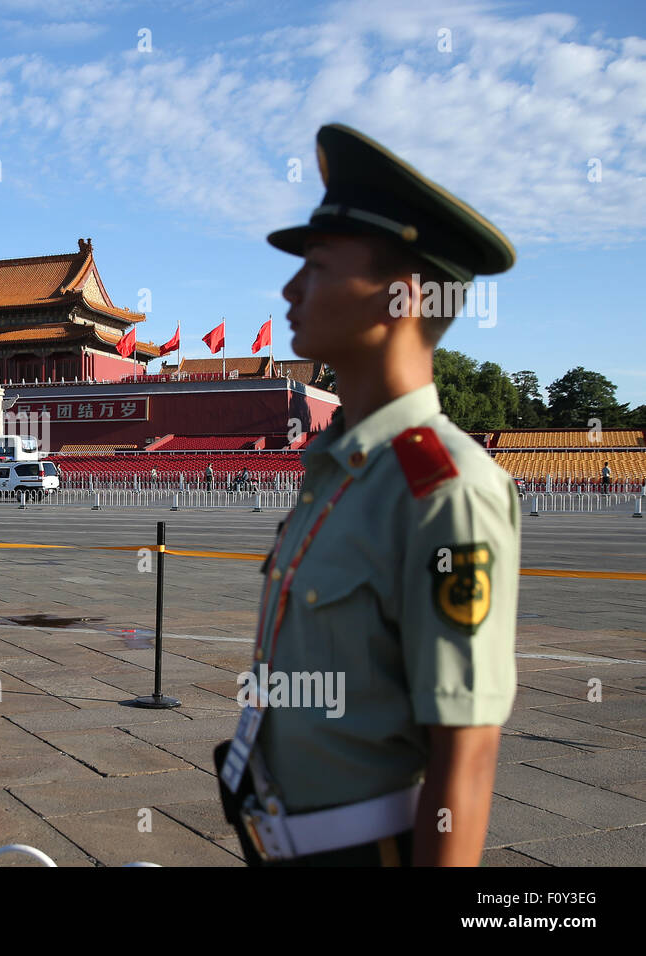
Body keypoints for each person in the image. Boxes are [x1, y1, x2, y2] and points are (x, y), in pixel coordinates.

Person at [215, 124, 519, 868]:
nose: (290, 290)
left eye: (315, 267)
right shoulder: (342, 470)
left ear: (401, 296)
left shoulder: (445, 490)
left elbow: (466, 753)